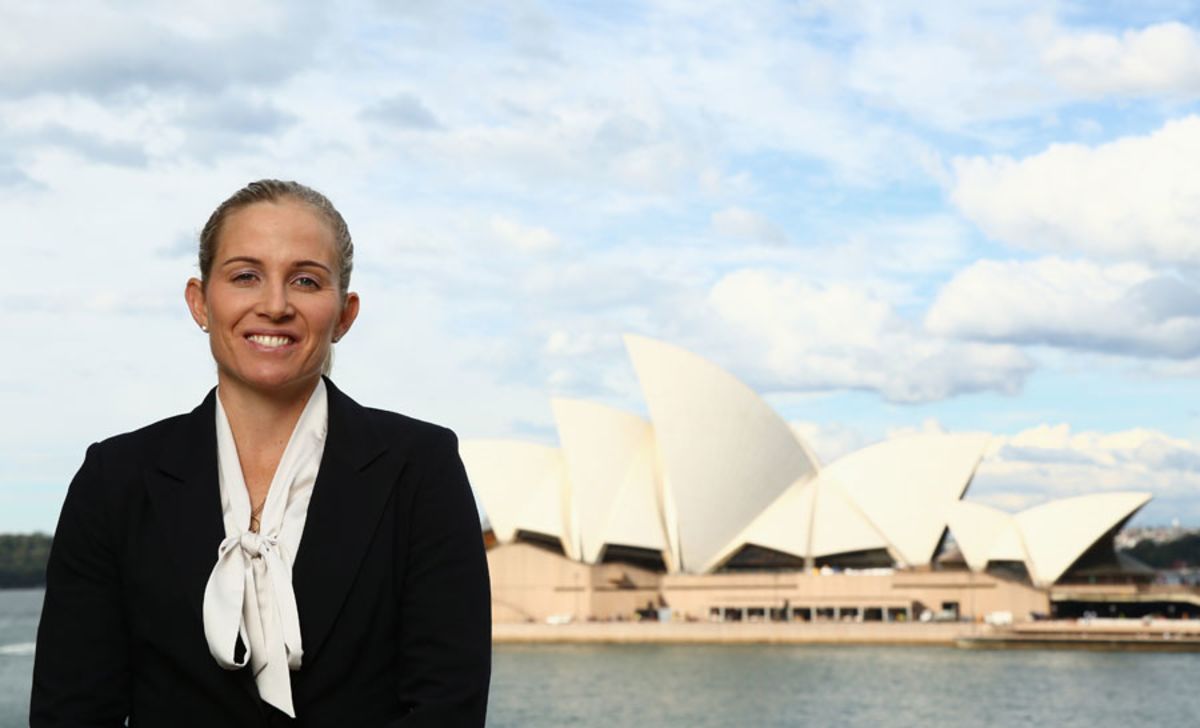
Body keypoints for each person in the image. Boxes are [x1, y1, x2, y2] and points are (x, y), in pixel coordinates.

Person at [31, 180, 492, 727]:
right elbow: (73, 711)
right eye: (246, 276)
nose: (275, 306)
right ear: (200, 302)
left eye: (305, 280)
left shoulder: (422, 468)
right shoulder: (114, 480)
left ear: (344, 314)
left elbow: (447, 708)